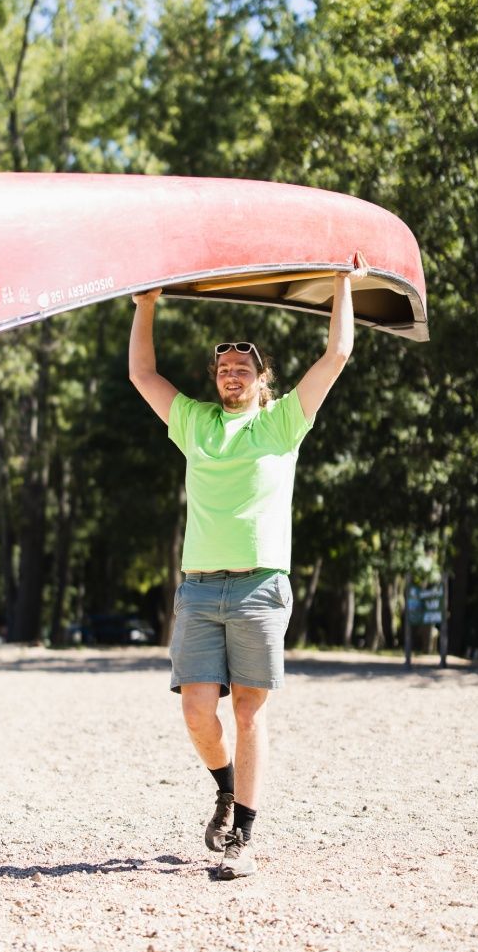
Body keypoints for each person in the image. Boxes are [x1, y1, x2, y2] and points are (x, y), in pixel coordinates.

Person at [129, 264, 365, 878]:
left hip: (261, 588)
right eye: (223, 368)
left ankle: (245, 837)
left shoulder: (281, 423)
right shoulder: (197, 424)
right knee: (197, 711)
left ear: (262, 378)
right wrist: (146, 302)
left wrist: (344, 279)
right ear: (217, 378)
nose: (232, 374)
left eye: (243, 368)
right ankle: (225, 789)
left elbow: (337, 352)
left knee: (248, 713)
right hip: (201, 589)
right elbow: (142, 374)